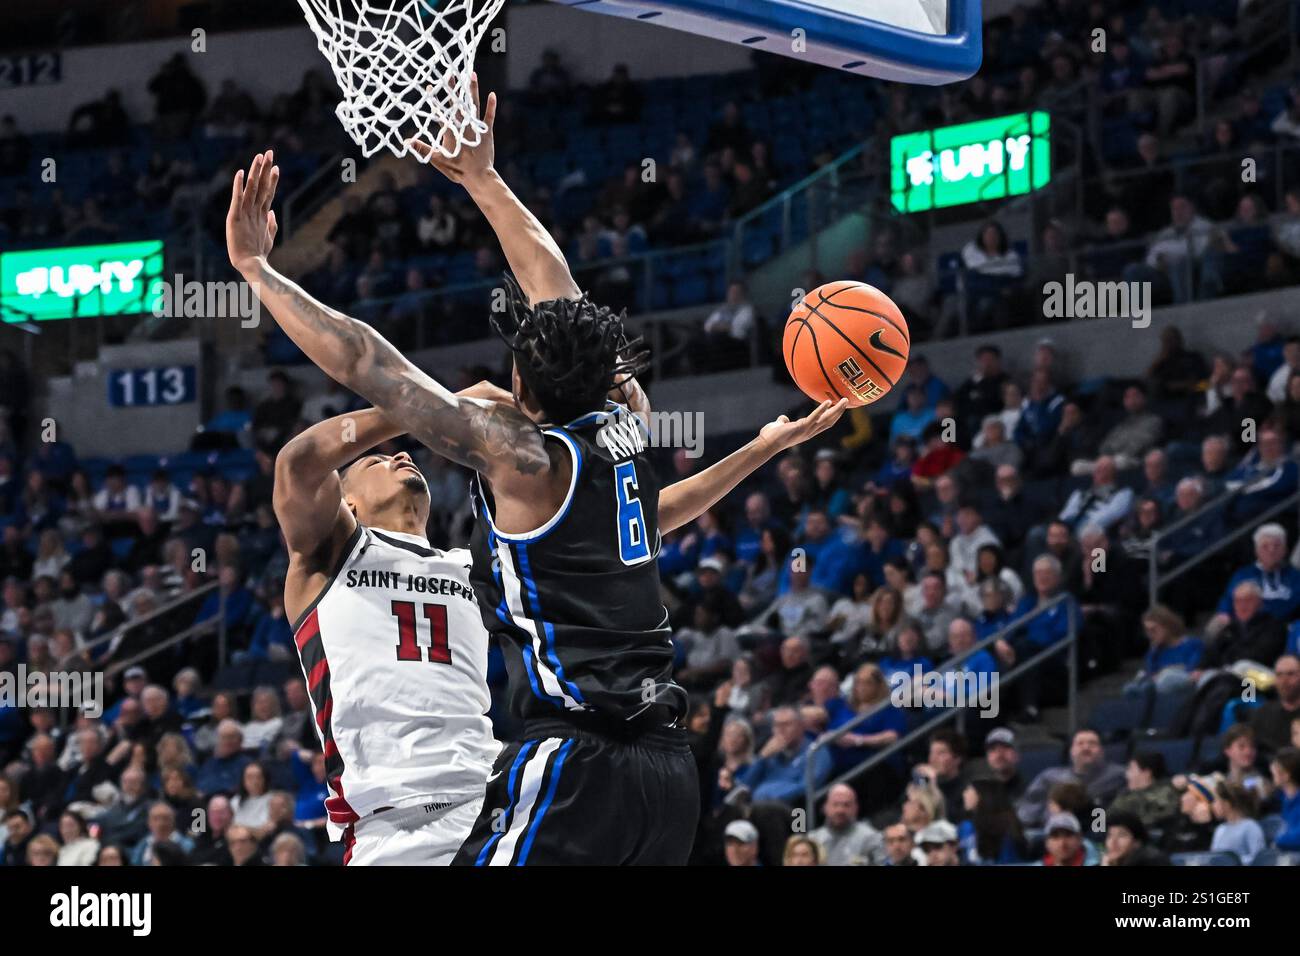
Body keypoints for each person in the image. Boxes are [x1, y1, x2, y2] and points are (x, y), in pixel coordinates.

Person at [227, 96, 846, 864]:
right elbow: (566, 304)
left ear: (524, 394)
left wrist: (256, 271)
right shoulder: (625, 425)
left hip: (581, 764)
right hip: (668, 774)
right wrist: (485, 182)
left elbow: (367, 363)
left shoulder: (524, 460)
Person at [809, 783, 884, 866]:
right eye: (835, 804)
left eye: (846, 805)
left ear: (855, 808)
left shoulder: (871, 838)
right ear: (825, 808)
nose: (840, 810)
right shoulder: (813, 840)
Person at [1101, 811, 1170, 866]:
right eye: (1110, 835)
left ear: (1137, 842)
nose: (1113, 842)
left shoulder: (1152, 861)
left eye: (1121, 835)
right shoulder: (1115, 860)